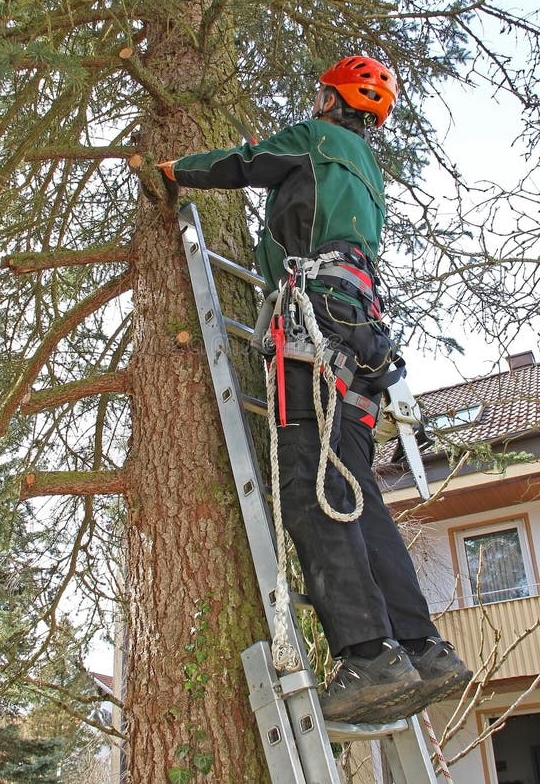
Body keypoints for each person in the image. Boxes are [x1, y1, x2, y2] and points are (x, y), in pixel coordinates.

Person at [157, 56, 471, 723]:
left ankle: (365, 655)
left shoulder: (318, 137)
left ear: (331, 98)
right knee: (361, 497)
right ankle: (422, 645)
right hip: (364, 338)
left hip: (318, 321)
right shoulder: (368, 173)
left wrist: (174, 172)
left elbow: (246, 161)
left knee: (312, 486)